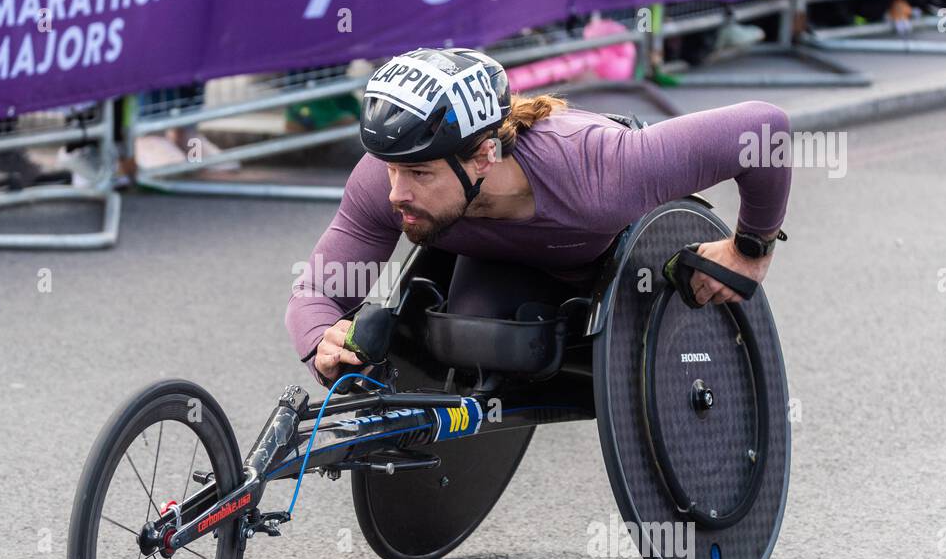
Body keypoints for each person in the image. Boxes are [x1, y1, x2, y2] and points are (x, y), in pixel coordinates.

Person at [285, 47, 792, 388]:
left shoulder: (601, 171)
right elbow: (316, 292)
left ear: (484, 157)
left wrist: (751, 248)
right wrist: (322, 339)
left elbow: (763, 129)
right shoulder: (385, 181)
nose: (397, 192)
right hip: (512, 272)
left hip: (621, 268)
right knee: (470, 334)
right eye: (391, 169)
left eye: (419, 173)